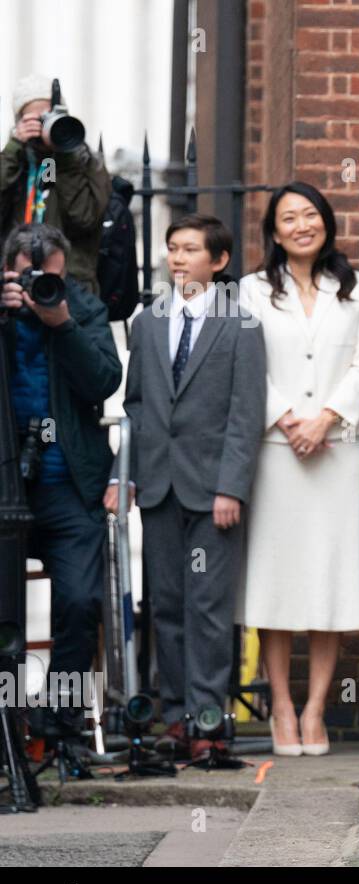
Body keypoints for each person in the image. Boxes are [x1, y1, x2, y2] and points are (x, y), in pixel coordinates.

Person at [104, 214, 266, 760]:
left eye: (190, 249)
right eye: (172, 248)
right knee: (167, 605)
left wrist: (231, 488)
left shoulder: (240, 324)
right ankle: (174, 720)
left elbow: (246, 414)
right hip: (158, 487)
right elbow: (136, 407)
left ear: (217, 262)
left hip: (213, 492)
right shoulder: (148, 322)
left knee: (209, 608)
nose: (177, 258)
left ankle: (207, 723)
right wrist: (122, 476)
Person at [236, 181, 359, 757]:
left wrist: (326, 418)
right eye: (289, 218)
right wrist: (289, 419)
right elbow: (248, 362)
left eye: (311, 215)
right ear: (273, 231)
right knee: (276, 586)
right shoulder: (250, 290)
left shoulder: (358, 287)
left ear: (326, 223)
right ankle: (282, 709)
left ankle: (317, 708)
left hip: (337, 451)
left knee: (329, 583)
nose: (302, 225)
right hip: (277, 453)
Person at [2, 223, 121, 726]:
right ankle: (8, 720)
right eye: (29, 279)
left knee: (79, 602)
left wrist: (63, 323)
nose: (38, 289)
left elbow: (105, 380)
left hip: (68, 485)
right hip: (6, 485)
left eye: (49, 278)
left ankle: (59, 724)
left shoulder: (82, 308)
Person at [0, 75, 111, 296]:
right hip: (15, 284)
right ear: (19, 122)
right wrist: (13, 150)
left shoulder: (87, 163)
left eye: (50, 117)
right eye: (35, 119)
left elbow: (84, 219)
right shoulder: (13, 161)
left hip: (71, 285)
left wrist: (65, 159)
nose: (43, 125)